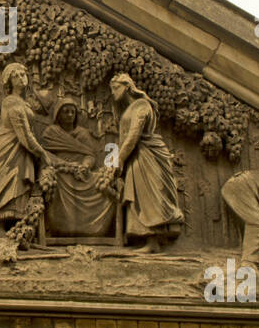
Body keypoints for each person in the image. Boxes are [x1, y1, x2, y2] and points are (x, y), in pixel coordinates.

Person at [0, 63, 57, 237]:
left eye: (23, 74)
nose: (21, 78)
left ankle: (14, 231)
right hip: (9, 148)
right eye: (16, 76)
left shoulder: (23, 102)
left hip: (19, 149)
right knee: (7, 185)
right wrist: (42, 153)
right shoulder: (12, 101)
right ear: (9, 82)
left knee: (16, 187)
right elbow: (24, 134)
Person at [109, 73, 184, 252]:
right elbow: (123, 139)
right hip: (135, 157)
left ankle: (153, 242)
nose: (113, 93)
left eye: (115, 88)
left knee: (150, 195)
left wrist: (119, 159)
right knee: (137, 195)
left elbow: (134, 135)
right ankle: (148, 241)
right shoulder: (127, 110)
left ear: (127, 86)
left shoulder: (142, 105)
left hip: (148, 155)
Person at [41, 97, 116, 237]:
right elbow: (45, 155)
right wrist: (66, 165)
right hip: (60, 171)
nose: (69, 115)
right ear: (58, 114)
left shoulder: (83, 133)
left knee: (101, 182)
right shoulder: (51, 132)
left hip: (82, 173)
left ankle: (96, 228)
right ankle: (60, 227)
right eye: (65, 112)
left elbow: (90, 155)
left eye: (72, 112)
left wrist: (85, 166)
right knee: (56, 180)